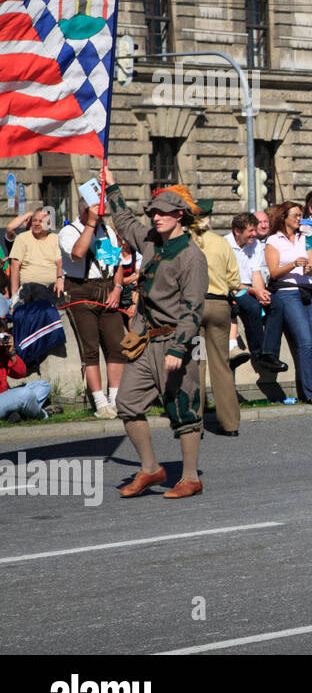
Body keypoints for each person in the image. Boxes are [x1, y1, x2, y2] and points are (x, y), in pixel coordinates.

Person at [104, 172, 209, 499]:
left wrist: (178, 349)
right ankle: (151, 469)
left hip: (176, 342)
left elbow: (193, 308)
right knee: (127, 404)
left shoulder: (192, 257)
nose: (156, 217)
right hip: (143, 341)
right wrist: (111, 185)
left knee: (184, 410)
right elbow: (123, 221)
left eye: (163, 212)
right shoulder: (149, 239)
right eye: (153, 213)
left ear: (180, 216)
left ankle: (190, 477)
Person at [59, 199, 126, 419]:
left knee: (118, 346)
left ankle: (116, 400)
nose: (100, 214)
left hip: (107, 289)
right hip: (81, 291)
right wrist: (90, 225)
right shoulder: (68, 232)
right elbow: (78, 253)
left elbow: (116, 264)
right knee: (90, 349)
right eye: (95, 211)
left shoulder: (108, 231)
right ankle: (100, 402)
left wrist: (117, 288)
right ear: (84, 211)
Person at [265, 202, 312, 405]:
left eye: (300, 215)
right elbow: (274, 272)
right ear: (283, 217)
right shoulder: (273, 240)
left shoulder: (307, 237)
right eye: (295, 215)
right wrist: (293, 264)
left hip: (308, 290)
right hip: (288, 292)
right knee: (305, 341)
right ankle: (310, 392)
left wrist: (310, 269)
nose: (298, 219)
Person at [191, 199, 244, 436]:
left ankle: (195, 422)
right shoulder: (221, 243)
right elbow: (234, 280)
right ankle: (230, 424)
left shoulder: (185, 243)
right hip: (220, 307)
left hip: (193, 308)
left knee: (196, 364)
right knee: (221, 365)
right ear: (209, 218)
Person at [226, 212, 278, 370]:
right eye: (250, 231)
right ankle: (258, 352)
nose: (254, 234)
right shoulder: (225, 244)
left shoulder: (255, 244)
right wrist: (254, 291)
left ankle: (270, 353)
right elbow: (228, 280)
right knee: (252, 307)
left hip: (251, 286)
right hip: (234, 288)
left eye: (255, 230)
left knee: (277, 305)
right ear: (237, 231)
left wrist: (261, 293)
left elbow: (256, 273)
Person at [0, 325, 61, 421]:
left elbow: (21, 373)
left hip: (5, 396)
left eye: (3, 336)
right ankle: (44, 414)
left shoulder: (3, 353)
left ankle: (18, 414)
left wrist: (12, 352)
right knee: (25, 394)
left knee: (44, 386)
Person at [8, 207, 62, 305]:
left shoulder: (56, 239)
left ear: (49, 224)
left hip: (52, 289)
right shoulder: (22, 238)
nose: (37, 223)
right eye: (34, 220)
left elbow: (60, 263)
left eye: (41, 221)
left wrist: (60, 279)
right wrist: (14, 295)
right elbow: (15, 267)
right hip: (29, 291)